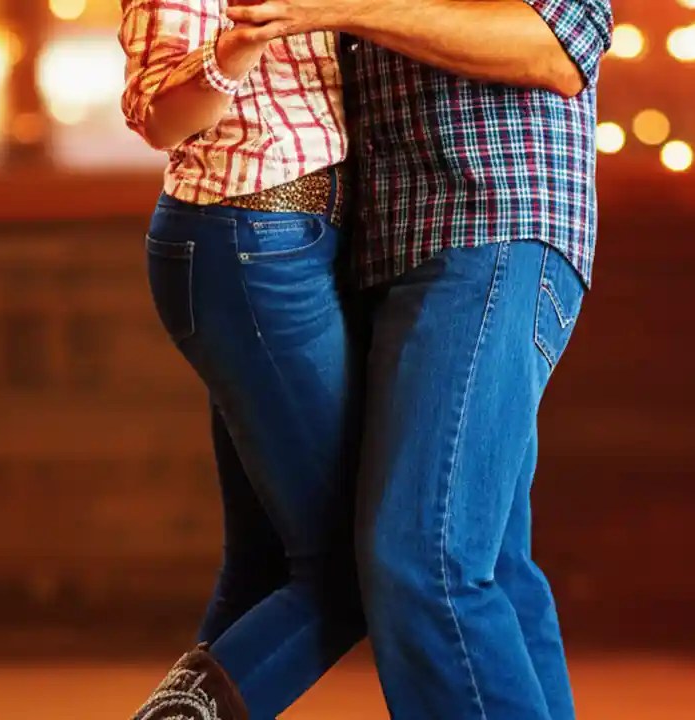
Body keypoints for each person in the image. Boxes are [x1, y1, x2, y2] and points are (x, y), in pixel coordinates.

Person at [225, 1, 612, 718]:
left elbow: (559, 45)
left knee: (425, 558)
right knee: (489, 562)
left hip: (493, 219)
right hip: (370, 246)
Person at [117, 3, 364, 718]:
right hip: (248, 237)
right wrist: (234, 50)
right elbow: (157, 115)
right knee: (349, 565)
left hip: (288, 241)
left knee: (262, 565)